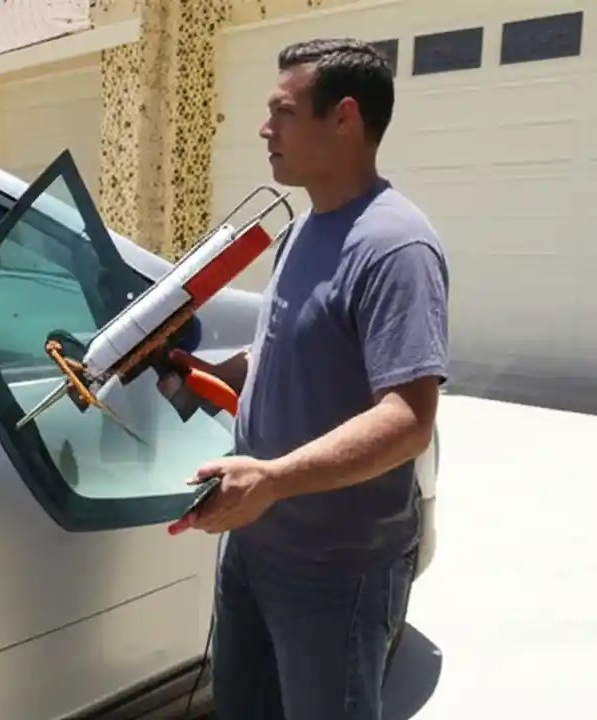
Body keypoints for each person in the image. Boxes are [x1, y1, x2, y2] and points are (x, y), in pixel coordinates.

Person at [168, 38, 450, 719]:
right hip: (254, 550)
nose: (265, 129)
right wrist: (198, 374)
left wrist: (272, 479)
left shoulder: (396, 247)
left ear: (344, 118)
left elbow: (408, 419)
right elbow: (281, 351)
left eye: (284, 112)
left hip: (334, 573)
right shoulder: (302, 232)